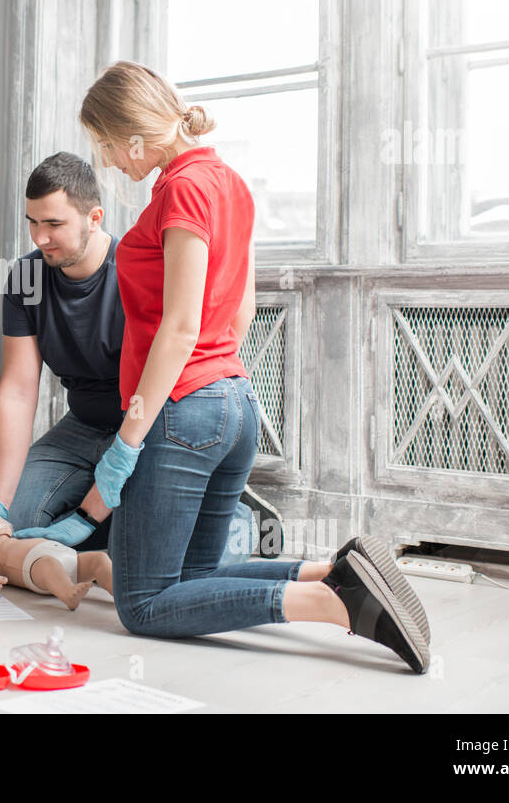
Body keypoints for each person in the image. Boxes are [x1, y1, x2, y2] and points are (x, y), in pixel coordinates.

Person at [74, 61, 430, 673]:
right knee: (196, 577)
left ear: (132, 133)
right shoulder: (228, 182)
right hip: (233, 403)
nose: (107, 163)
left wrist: (128, 440)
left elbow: (181, 325)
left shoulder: (182, 188)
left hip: (183, 412)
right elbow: (240, 313)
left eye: (105, 145)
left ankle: (330, 604)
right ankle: (332, 571)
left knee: (142, 603)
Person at [0, 153, 259, 566]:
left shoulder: (137, 268)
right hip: (80, 426)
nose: (40, 237)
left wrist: (120, 463)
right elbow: (18, 390)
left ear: (94, 217)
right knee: (15, 527)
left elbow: (214, 335)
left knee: (148, 555)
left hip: (147, 426)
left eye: (54, 224)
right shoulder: (26, 277)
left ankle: (207, 516)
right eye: (33, 222)